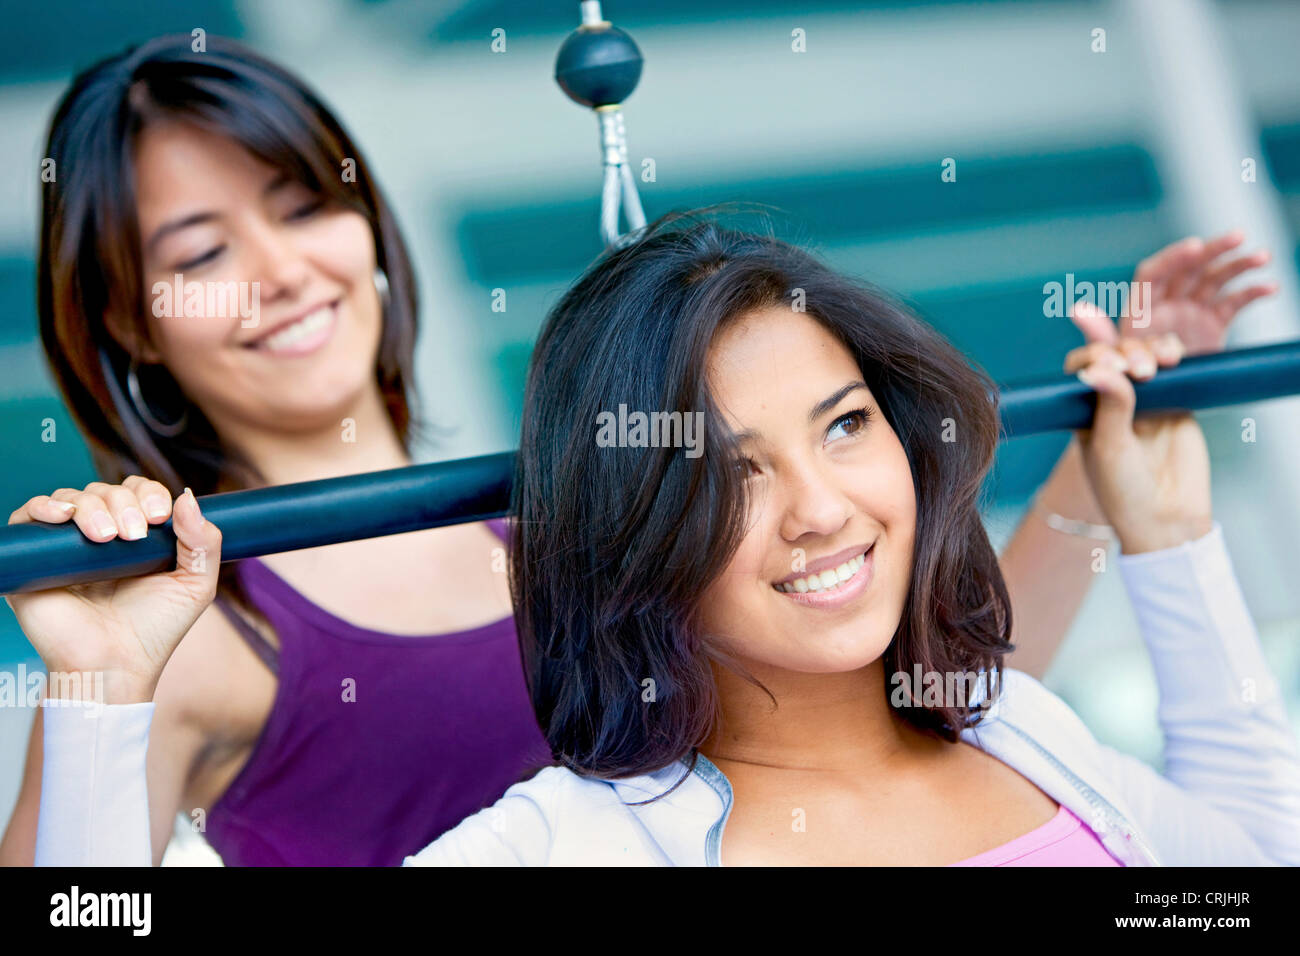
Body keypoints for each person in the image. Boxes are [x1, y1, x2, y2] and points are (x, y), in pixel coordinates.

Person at [23, 212, 1300, 865]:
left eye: (844, 425)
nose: (822, 505)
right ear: (633, 532)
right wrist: (96, 692)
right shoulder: (572, 842)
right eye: (731, 473)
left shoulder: (1019, 731)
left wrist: (1168, 529)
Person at [0, 34, 550, 867]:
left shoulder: (570, 538)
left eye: (302, 208)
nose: (281, 271)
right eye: (203, 254)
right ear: (129, 326)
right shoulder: (185, 638)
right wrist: (100, 687)